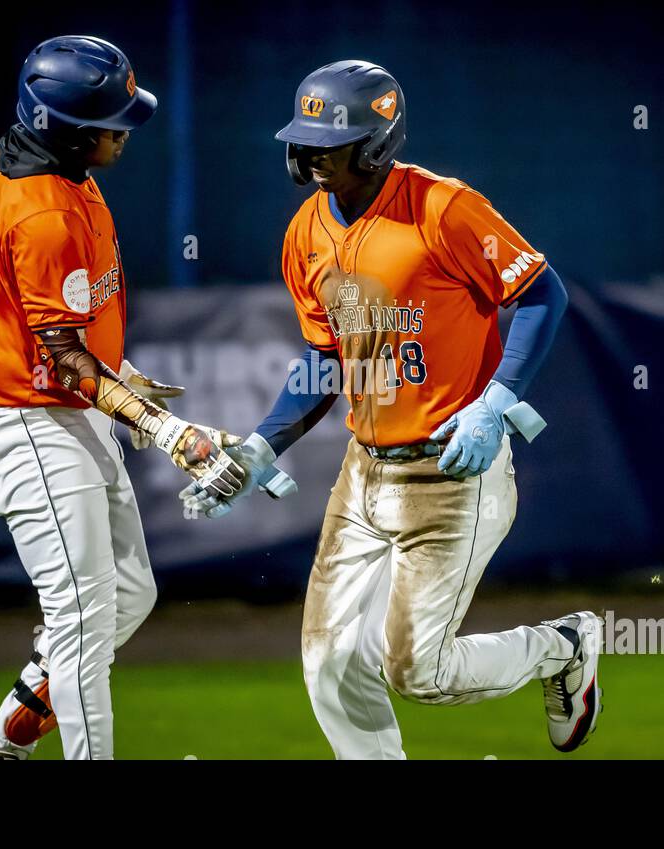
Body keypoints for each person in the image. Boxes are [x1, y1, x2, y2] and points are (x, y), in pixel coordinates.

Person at [183, 59, 602, 759]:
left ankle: (563, 648)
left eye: (329, 140)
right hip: (364, 474)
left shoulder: (443, 206)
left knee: (419, 671)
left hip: (453, 470)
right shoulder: (304, 234)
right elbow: (325, 358)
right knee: (330, 662)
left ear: (376, 142)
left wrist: (497, 402)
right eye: (304, 138)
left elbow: (540, 293)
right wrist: (260, 448)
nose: (310, 153)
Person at [0, 35, 244, 760]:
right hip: (23, 420)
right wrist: (169, 431)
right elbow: (62, 358)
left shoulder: (58, 167)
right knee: (82, 619)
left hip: (58, 406)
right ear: (65, 127)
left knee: (130, 594)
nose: (124, 130)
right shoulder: (44, 211)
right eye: (110, 120)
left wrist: (121, 379)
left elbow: (66, 342)